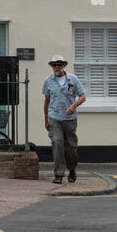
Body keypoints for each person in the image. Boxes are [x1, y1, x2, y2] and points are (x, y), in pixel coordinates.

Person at [42, 55, 86, 185]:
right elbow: (46, 101)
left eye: (59, 65)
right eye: (54, 65)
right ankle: (59, 174)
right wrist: (46, 120)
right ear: (51, 66)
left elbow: (83, 96)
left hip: (70, 119)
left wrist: (73, 106)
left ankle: (72, 169)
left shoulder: (73, 79)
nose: (57, 67)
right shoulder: (48, 81)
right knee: (57, 143)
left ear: (63, 66)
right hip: (54, 118)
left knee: (70, 148)